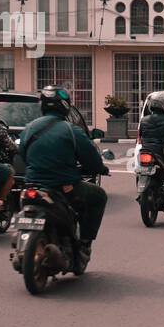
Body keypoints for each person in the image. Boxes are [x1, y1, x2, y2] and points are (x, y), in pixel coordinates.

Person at [18, 85, 109, 261]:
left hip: (31, 185)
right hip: (63, 187)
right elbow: (91, 158)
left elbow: (22, 154)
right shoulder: (71, 130)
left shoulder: (28, 128)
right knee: (98, 196)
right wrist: (99, 168)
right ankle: (84, 244)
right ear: (65, 106)